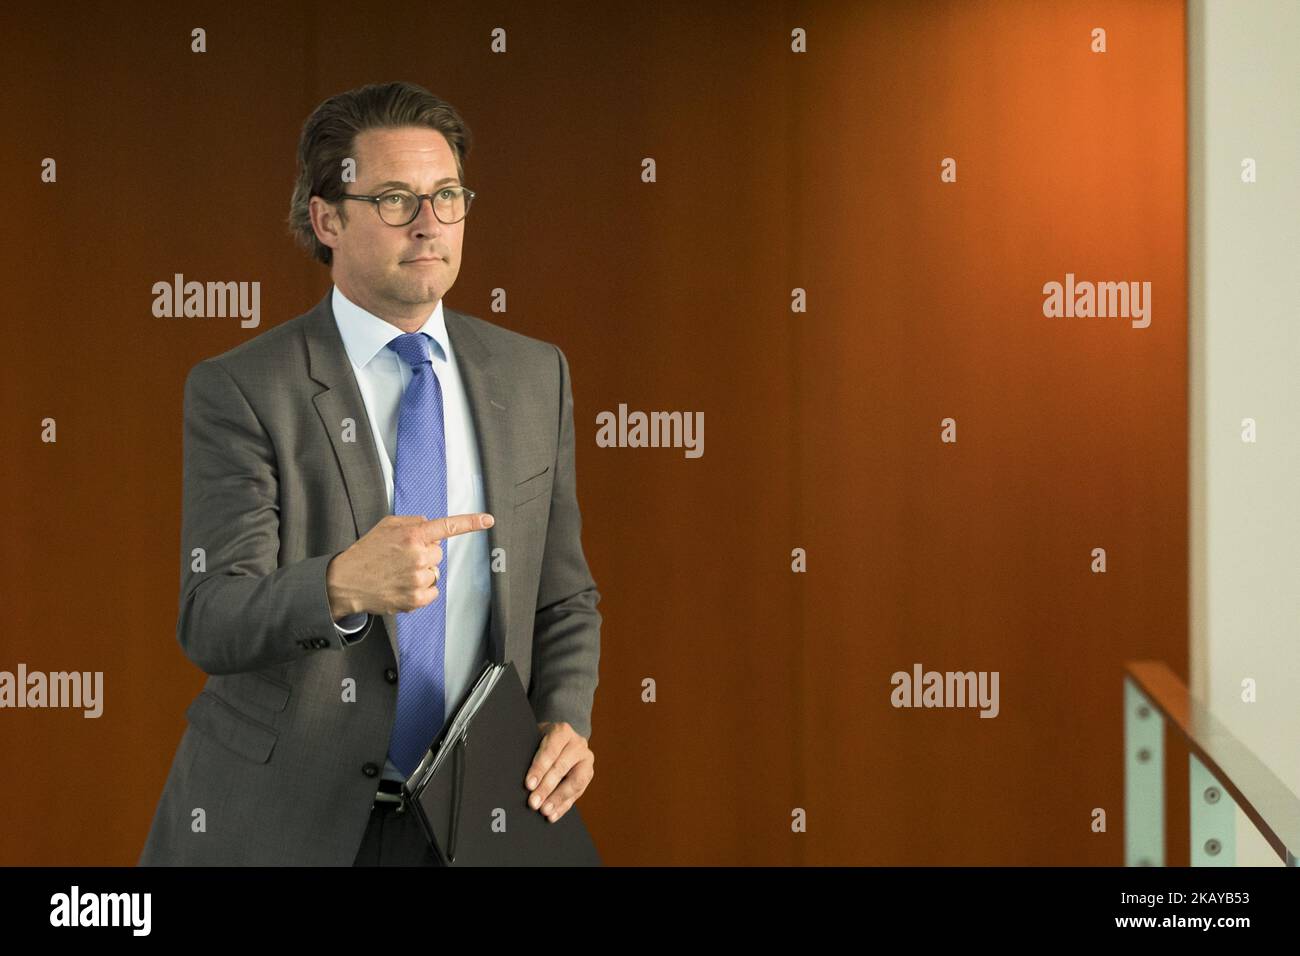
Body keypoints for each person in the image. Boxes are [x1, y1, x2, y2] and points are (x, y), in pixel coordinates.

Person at [139, 81, 601, 866]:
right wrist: (341, 584)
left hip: (481, 814)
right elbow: (211, 615)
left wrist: (564, 718)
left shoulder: (533, 375)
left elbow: (564, 595)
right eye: (394, 199)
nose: (429, 223)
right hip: (287, 821)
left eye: (447, 195)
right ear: (327, 219)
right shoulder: (244, 389)